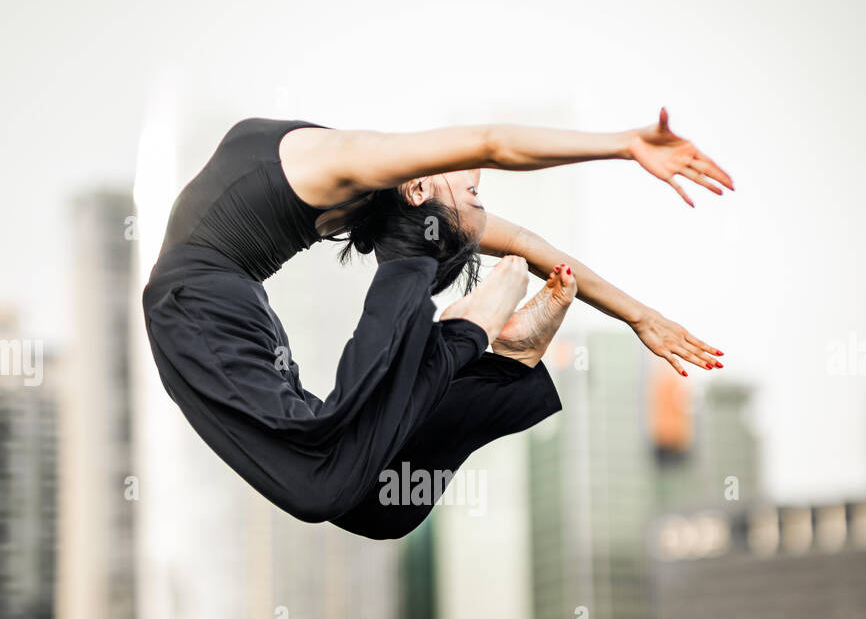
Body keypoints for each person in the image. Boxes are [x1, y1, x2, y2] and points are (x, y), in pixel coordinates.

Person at [142, 110, 732, 539]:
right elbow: (492, 140)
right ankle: (464, 334)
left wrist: (641, 317)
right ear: (421, 180)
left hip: (231, 309)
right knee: (320, 484)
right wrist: (626, 142)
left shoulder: (400, 198)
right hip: (191, 302)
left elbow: (527, 245)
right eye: (473, 189)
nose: (475, 177)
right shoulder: (351, 159)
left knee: (380, 507)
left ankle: (502, 362)